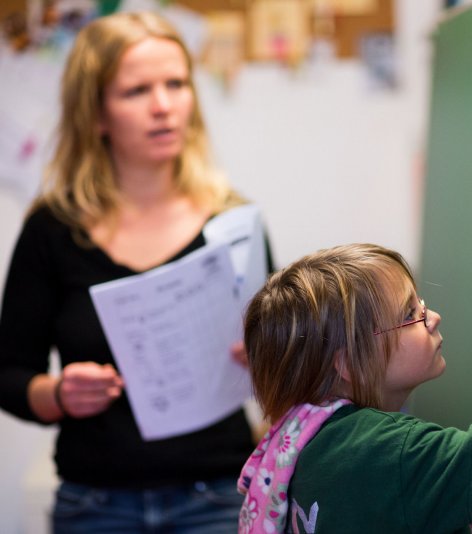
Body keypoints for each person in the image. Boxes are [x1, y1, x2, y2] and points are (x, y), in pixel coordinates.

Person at [0, 11, 273, 533]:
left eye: (177, 84)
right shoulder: (51, 230)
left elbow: (290, 370)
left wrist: (268, 362)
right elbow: (9, 374)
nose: (163, 106)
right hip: (95, 505)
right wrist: (58, 394)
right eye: (137, 91)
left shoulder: (235, 223)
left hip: (219, 496)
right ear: (96, 113)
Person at [237, 214, 472, 533]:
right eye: (409, 314)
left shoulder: (302, 444)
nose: (432, 317)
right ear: (347, 364)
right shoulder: (384, 452)